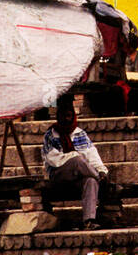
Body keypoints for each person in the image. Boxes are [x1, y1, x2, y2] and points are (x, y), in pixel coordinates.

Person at [42, 96, 110, 230]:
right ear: (58, 117)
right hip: (58, 175)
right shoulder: (50, 135)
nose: (66, 119)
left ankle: (89, 221)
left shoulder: (80, 134)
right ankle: (99, 178)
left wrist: (101, 169)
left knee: (90, 180)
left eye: (68, 116)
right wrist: (75, 158)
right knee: (77, 160)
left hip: (79, 175)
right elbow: (53, 159)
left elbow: (92, 154)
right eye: (63, 116)